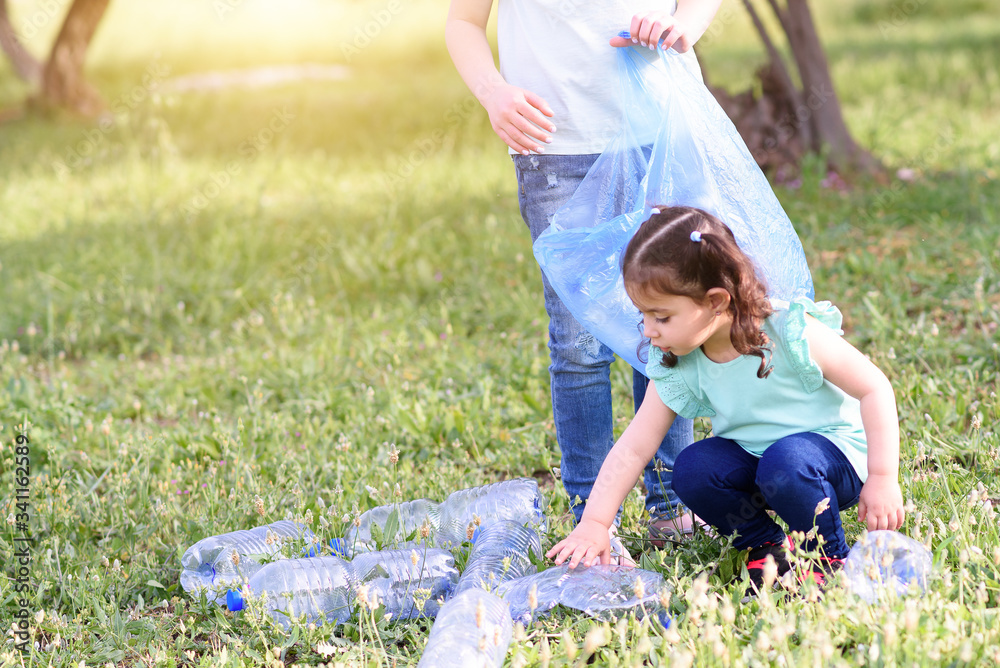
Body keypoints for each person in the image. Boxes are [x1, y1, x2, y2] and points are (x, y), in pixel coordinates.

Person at [446, 0, 724, 553]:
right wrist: (494, 93)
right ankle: (593, 519)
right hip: (557, 149)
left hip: (659, 129)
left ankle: (671, 507)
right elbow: (463, 22)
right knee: (579, 345)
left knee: (669, 327)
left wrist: (683, 25)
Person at [546, 206, 905, 592]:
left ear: (716, 300)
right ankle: (766, 548)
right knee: (694, 468)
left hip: (830, 461)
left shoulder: (789, 331)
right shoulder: (680, 360)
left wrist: (883, 478)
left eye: (662, 317)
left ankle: (826, 558)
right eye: (643, 316)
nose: (649, 330)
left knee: (786, 458)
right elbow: (634, 448)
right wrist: (595, 522)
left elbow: (875, 387)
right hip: (763, 465)